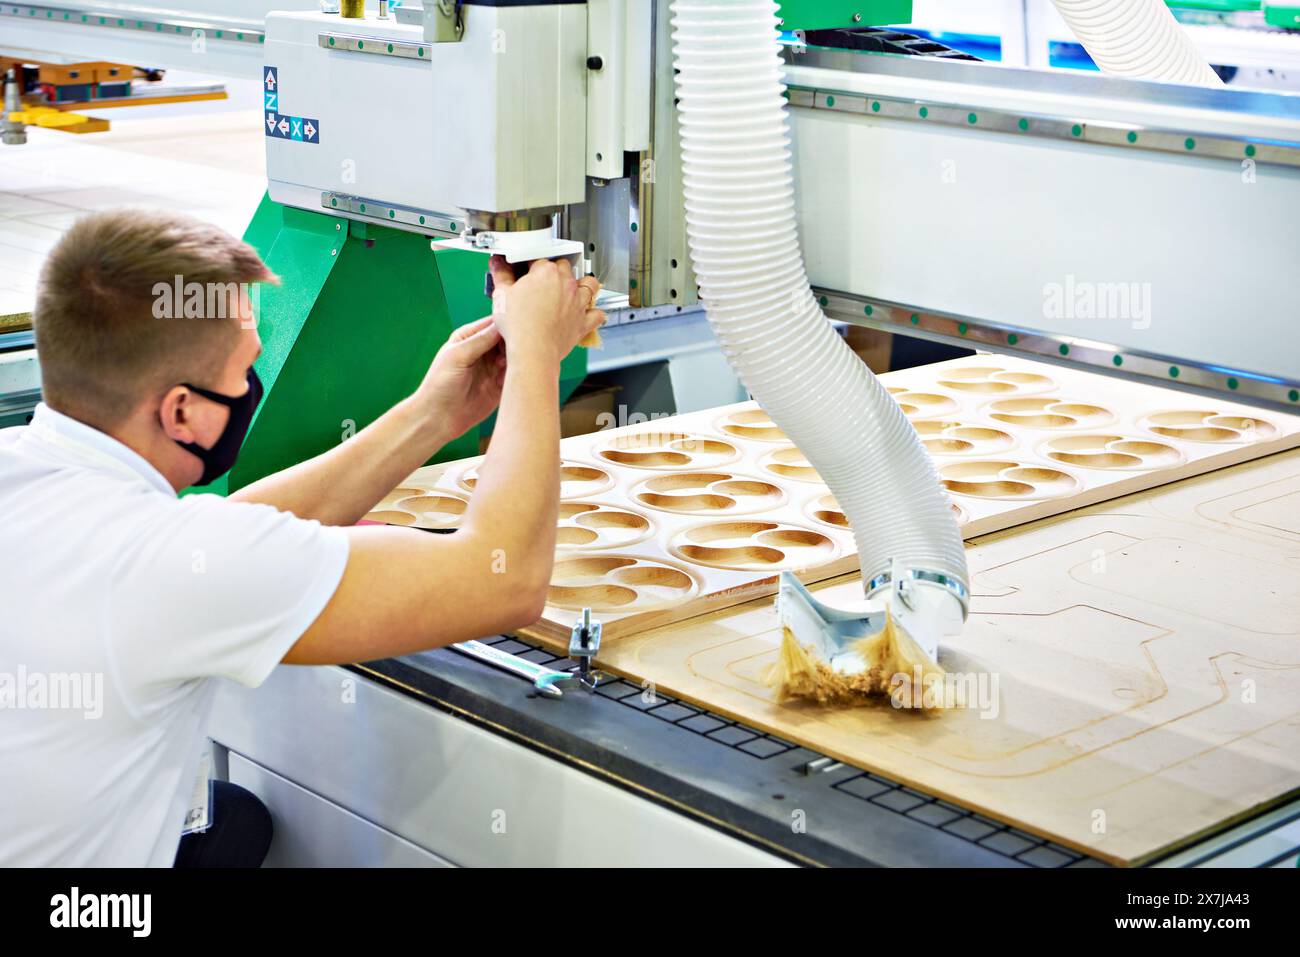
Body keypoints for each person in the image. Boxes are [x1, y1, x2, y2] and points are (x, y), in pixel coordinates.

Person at [0, 209, 604, 867]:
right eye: (243, 369)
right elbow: (503, 578)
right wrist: (538, 357)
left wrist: (438, 413)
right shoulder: (160, 567)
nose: (252, 385)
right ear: (181, 410)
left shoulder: (31, 472)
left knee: (233, 822)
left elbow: (221, 541)